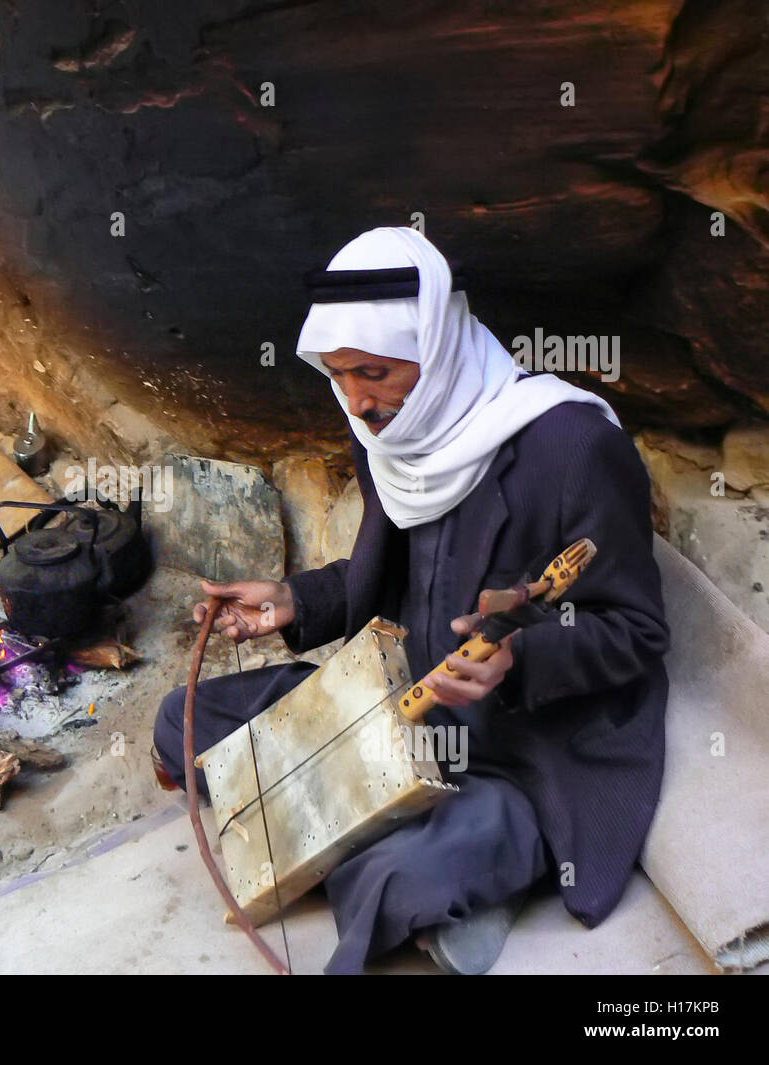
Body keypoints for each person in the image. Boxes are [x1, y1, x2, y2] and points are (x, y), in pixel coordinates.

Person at [153, 227, 669, 974]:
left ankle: (442, 874)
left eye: (374, 372)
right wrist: (295, 600)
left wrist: (519, 658)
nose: (358, 402)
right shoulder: (389, 434)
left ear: (438, 346)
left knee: (394, 874)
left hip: (513, 750)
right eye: (338, 376)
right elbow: (392, 572)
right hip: (394, 707)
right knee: (185, 718)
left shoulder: (571, 445)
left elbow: (638, 629)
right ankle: (435, 879)